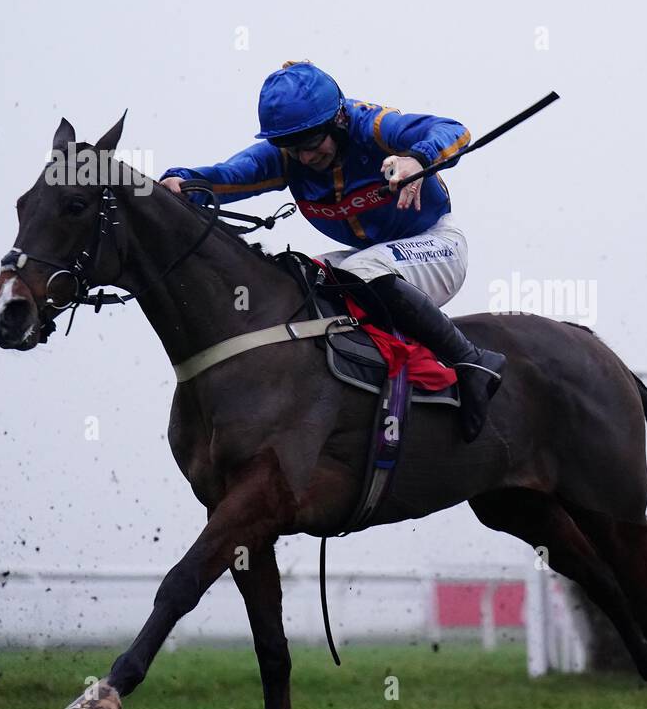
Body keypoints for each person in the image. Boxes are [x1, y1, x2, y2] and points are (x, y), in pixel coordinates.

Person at [159, 60, 506, 442]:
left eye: (311, 141)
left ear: (338, 119)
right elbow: (225, 176)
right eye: (291, 146)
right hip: (377, 256)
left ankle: (473, 362)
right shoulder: (289, 156)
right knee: (299, 277)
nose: (305, 157)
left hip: (438, 246)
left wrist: (415, 158)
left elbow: (455, 130)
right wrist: (182, 180)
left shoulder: (373, 127)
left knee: (360, 269)